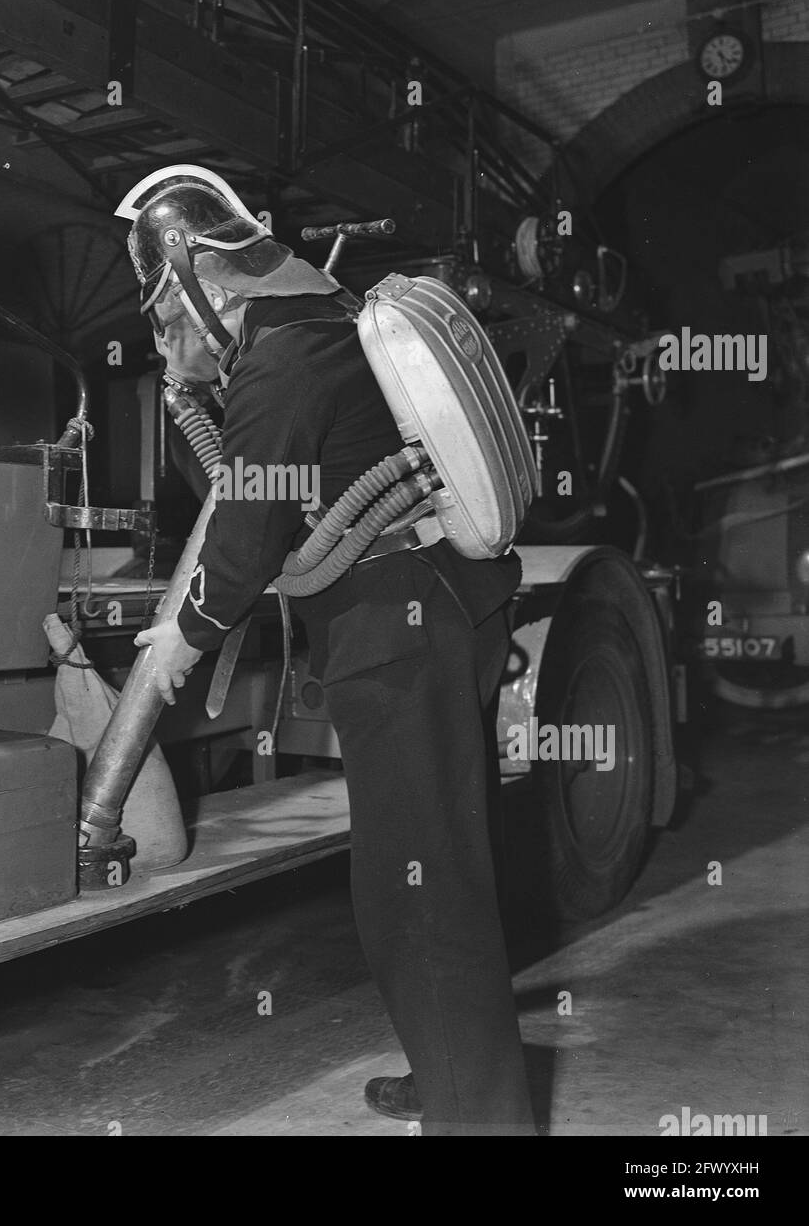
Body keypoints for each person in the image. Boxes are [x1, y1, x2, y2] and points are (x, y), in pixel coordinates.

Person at [116, 165, 535, 1136]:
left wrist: (183, 636)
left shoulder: (280, 359)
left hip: (399, 631)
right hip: (438, 608)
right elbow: (251, 478)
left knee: (417, 897)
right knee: (434, 869)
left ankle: (481, 1119)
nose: (171, 333)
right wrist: (190, 393)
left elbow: (248, 525)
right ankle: (450, 1078)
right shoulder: (316, 312)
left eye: (167, 310)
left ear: (204, 283)